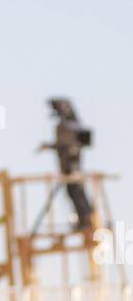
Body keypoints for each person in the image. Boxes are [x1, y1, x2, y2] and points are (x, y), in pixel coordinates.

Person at [38, 98, 93, 231]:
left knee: (76, 191)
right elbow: (62, 146)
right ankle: (83, 220)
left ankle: (86, 219)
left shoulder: (69, 127)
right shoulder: (65, 126)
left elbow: (72, 146)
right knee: (72, 191)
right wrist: (49, 146)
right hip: (67, 168)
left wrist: (74, 167)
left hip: (72, 168)